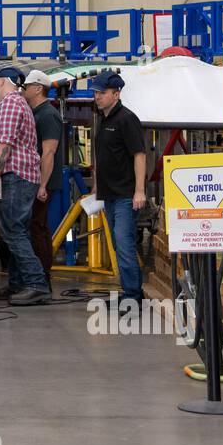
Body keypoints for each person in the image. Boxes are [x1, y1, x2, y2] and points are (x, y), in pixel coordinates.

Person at [0, 67, 51, 305]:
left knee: (13, 231)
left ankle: (36, 283)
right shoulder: (19, 103)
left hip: (15, 175)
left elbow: (4, 145)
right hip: (22, 176)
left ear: (2, 82)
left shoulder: (10, 104)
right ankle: (18, 283)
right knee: (17, 231)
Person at [90, 70, 146, 303]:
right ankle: (128, 292)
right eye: (96, 93)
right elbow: (102, 156)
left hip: (125, 195)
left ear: (116, 93)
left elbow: (139, 154)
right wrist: (96, 185)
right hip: (109, 194)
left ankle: (133, 296)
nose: (98, 97)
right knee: (117, 243)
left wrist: (140, 191)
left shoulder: (126, 119)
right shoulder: (103, 120)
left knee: (123, 244)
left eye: (102, 93)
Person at [21, 69, 64, 292]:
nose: (23, 90)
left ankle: (42, 279)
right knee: (34, 227)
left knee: (37, 228)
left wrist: (43, 184)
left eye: (26, 86)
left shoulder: (47, 115)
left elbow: (49, 152)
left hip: (42, 182)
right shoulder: (36, 112)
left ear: (38, 88)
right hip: (36, 180)